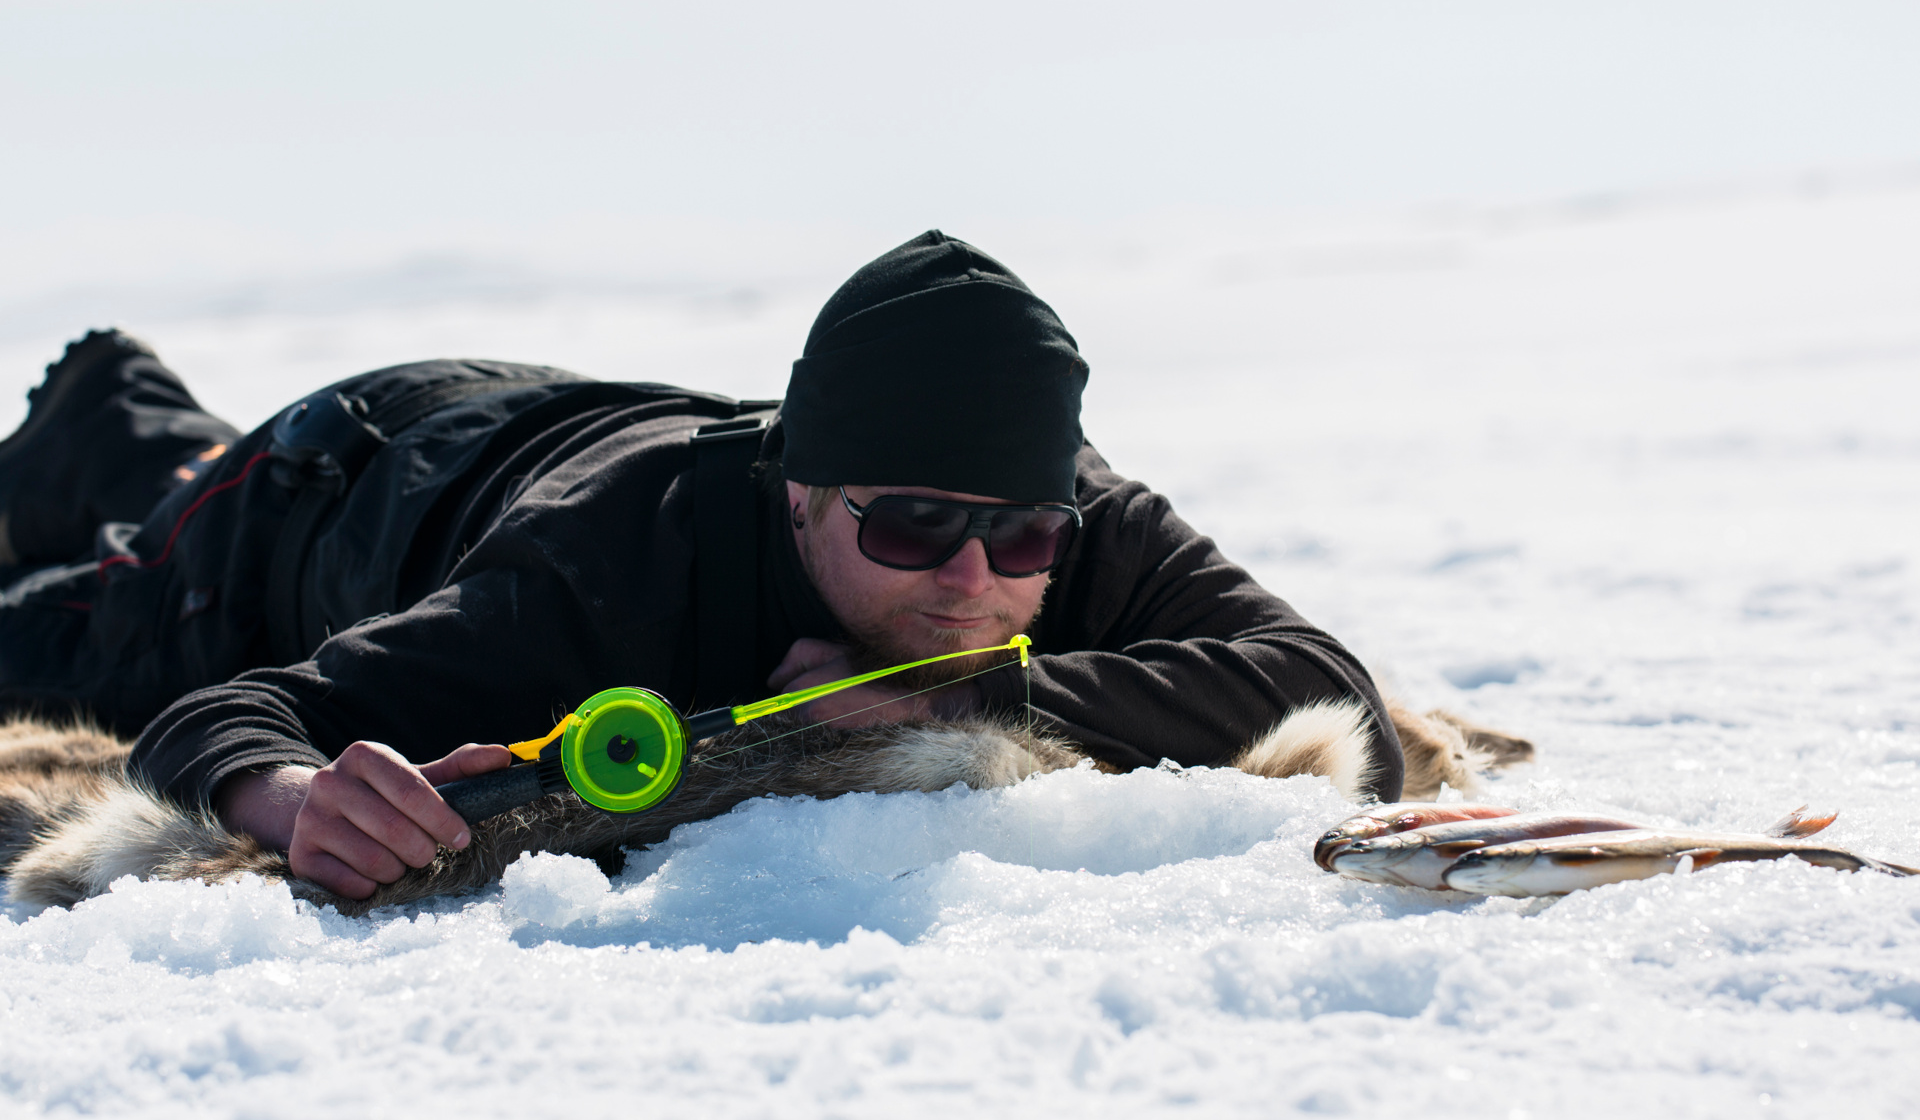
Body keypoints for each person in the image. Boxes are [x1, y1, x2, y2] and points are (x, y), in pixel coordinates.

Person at [0, 231, 1404, 898]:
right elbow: (233, 711)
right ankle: (101, 422)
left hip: (545, 416)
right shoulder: (604, 572)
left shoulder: (1079, 515)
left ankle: (111, 420)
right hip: (335, 489)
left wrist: (961, 705)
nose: (974, 577)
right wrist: (296, 796)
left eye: (1023, 535)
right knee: (81, 624)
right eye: (909, 525)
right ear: (802, 496)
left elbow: (1318, 682)